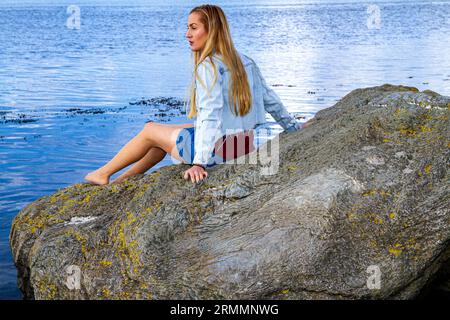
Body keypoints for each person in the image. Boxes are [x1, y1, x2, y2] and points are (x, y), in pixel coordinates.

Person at [84, 4, 309, 186]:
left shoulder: (209, 66)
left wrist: (199, 163)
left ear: (211, 31)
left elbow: (210, 115)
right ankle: (121, 182)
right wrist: (293, 127)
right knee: (162, 137)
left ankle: (102, 174)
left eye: (193, 28)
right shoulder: (245, 60)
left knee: (150, 130)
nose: (187, 34)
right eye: (188, 28)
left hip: (218, 154)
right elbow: (270, 99)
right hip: (243, 146)